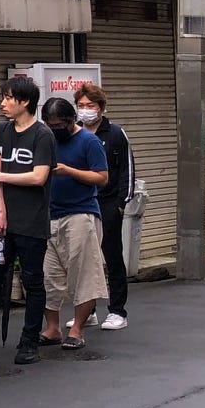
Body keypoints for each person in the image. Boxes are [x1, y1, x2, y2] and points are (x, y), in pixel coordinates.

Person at [0, 75, 55, 365]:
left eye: (9, 98)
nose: (4, 103)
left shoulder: (42, 135)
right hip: (2, 221)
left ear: (25, 102)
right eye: (4, 97)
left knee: (33, 282)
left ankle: (29, 341)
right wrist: (1, 211)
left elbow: (39, 176)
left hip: (32, 222)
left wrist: (3, 177)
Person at [38, 97, 108, 350]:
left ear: (71, 120)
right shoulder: (45, 139)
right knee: (48, 275)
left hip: (81, 212)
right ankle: (52, 328)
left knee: (83, 273)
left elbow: (102, 177)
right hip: (49, 215)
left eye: (59, 125)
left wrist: (69, 171)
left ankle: (77, 329)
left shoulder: (88, 141)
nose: (55, 129)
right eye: (50, 124)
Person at [75, 82, 133, 330]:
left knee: (112, 256)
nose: (85, 110)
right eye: (81, 105)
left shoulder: (116, 133)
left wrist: (122, 203)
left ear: (101, 108)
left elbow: (126, 170)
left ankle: (118, 311)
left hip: (108, 203)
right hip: (82, 203)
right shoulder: (74, 133)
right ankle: (88, 312)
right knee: (84, 259)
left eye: (90, 105)